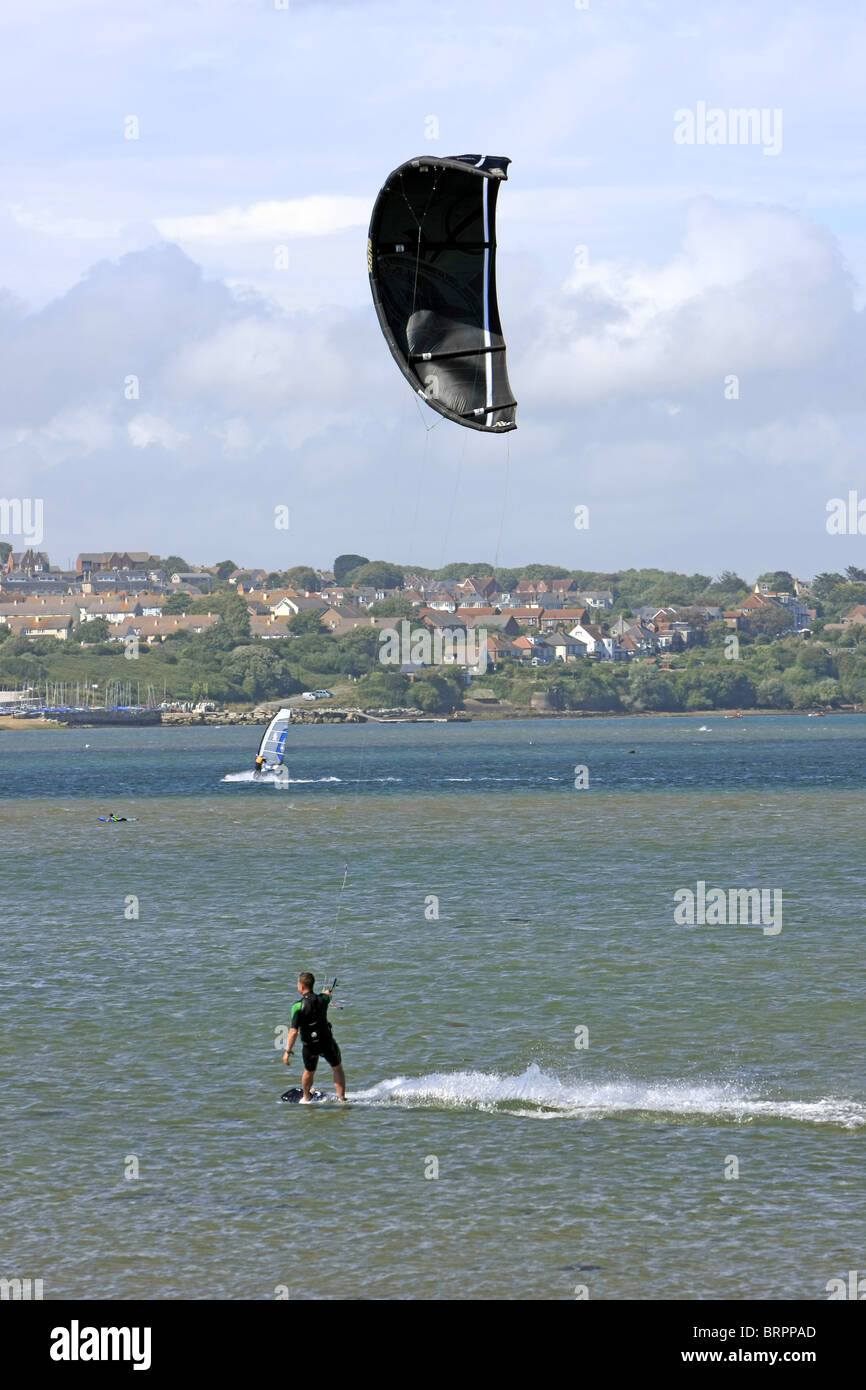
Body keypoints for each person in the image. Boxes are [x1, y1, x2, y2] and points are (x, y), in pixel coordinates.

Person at [282, 972, 346, 1102]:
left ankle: (306, 1097)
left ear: (301, 986)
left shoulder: (297, 1006)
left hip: (310, 1046)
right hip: (326, 1042)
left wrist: (287, 1051)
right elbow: (327, 995)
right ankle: (342, 1098)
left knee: (309, 1071)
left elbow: (293, 1031)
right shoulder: (323, 999)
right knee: (337, 1068)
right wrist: (327, 993)